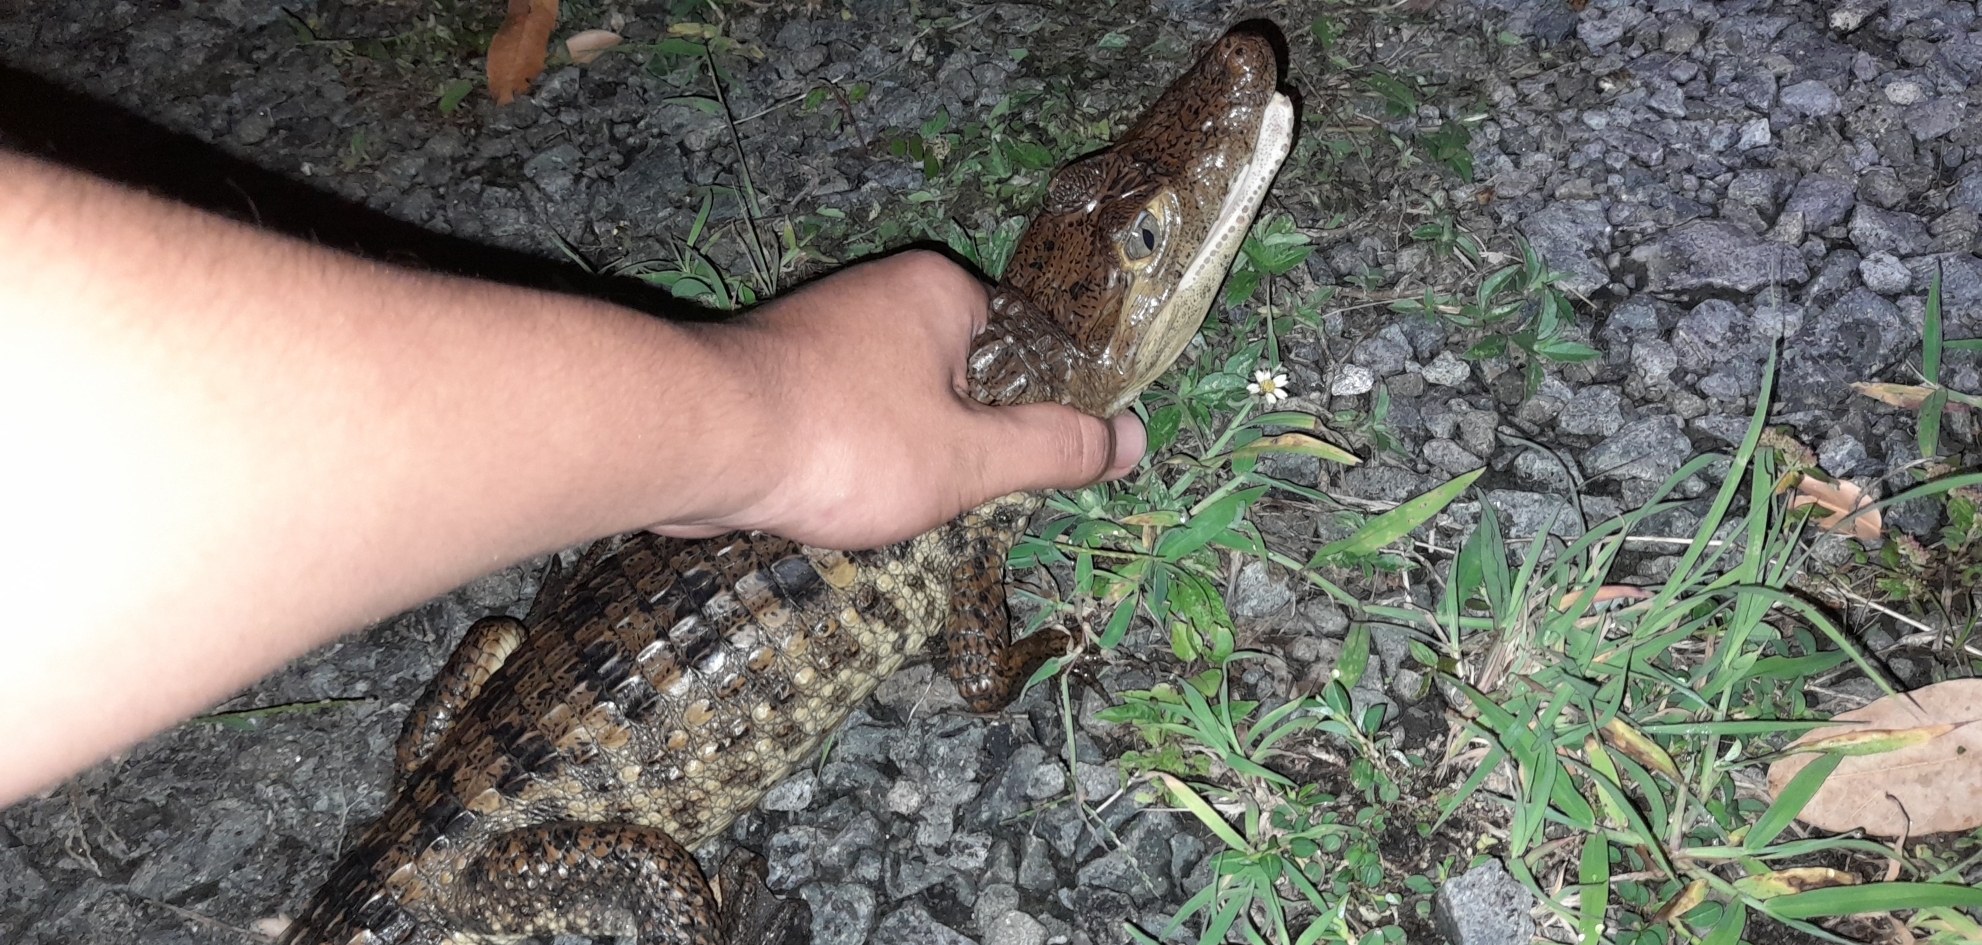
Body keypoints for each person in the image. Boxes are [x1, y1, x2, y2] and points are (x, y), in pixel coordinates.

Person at [0, 151, 1143, 805]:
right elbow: (983, 677)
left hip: (492, 756)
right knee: (540, 708)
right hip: (487, 800)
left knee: (502, 640)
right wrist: (1058, 645)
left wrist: (760, 408)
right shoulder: (978, 513)